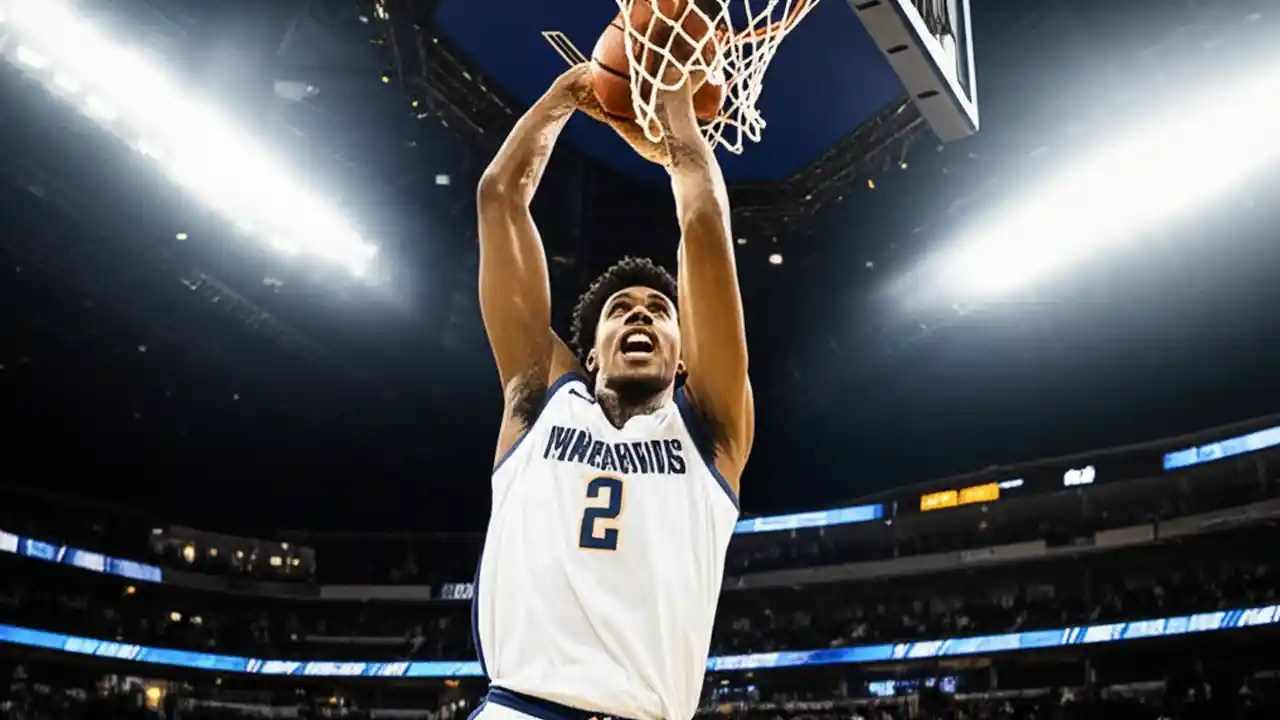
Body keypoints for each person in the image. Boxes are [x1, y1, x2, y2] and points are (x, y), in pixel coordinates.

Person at [471, 63, 753, 720]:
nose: (639, 315)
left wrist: (676, 115)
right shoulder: (539, 398)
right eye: (620, 309)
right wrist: (560, 98)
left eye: (659, 309)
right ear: (589, 354)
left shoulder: (711, 428)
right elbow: (499, 199)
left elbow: (706, 223)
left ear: (687, 358)